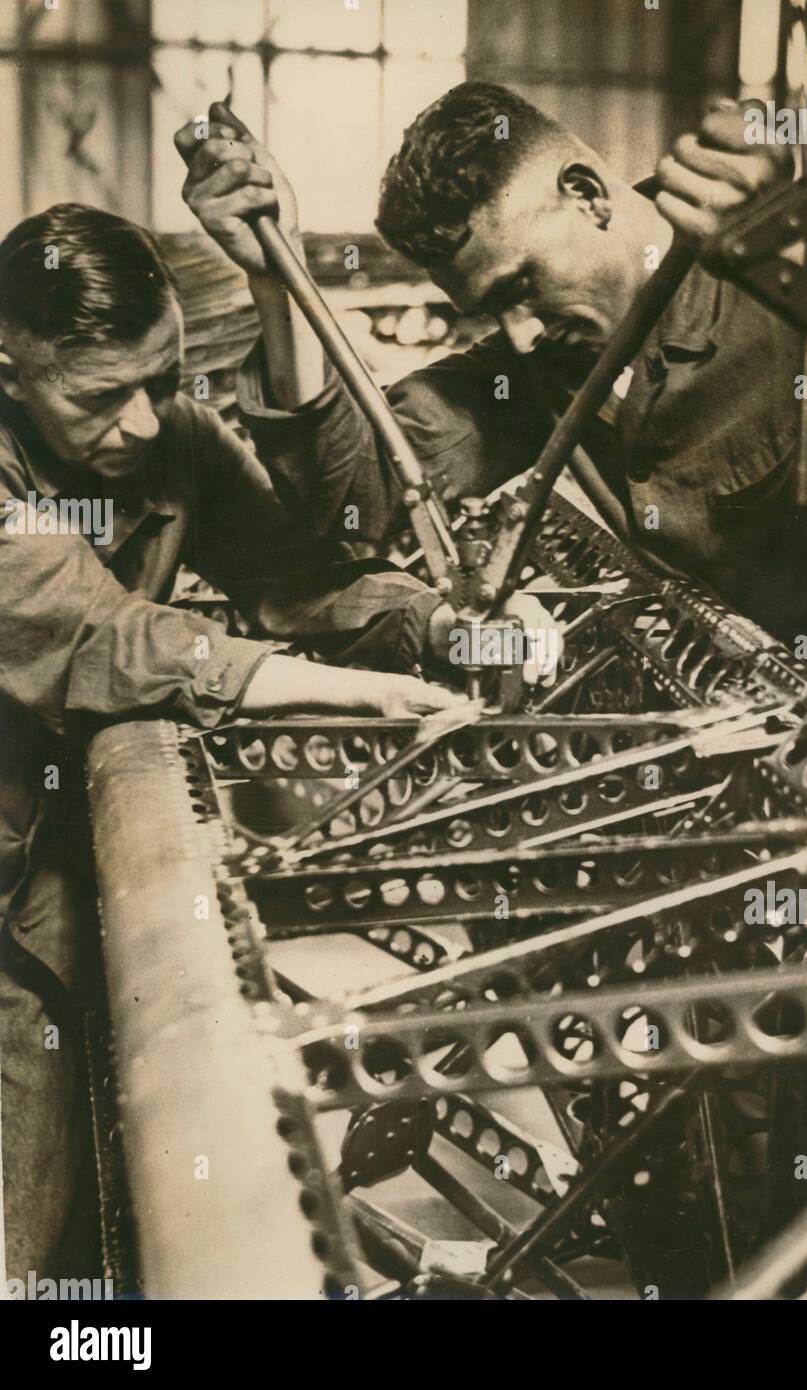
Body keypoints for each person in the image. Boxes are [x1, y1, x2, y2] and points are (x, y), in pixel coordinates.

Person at [0, 201, 483, 1286]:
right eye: (99, 396)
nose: (138, 423)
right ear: (10, 370)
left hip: (63, 880)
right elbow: (101, 632)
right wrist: (341, 693)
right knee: (24, 1232)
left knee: (110, 1211)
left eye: (160, 381)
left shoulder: (170, 438)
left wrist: (438, 625)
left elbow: (304, 570)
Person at [178, 83, 807, 714]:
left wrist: (797, 258)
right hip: (744, 750)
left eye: (521, 287)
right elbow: (354, 501)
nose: (521, 333)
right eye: (492, 310)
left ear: (589, 193)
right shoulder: (531, 365)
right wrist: (271, 276)